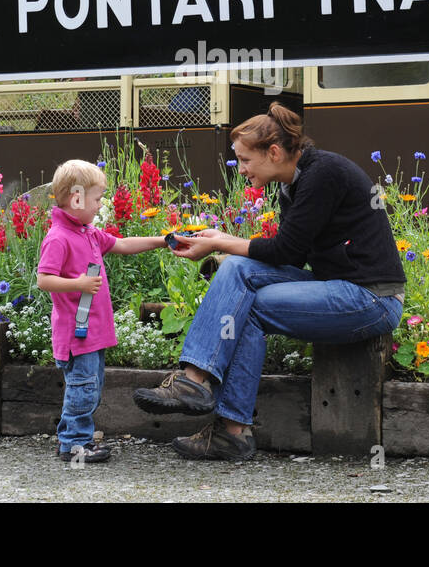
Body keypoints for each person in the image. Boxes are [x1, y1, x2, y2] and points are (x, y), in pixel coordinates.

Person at [132, 102, 404, 461]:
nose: (241, 169)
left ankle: (229, 426)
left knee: (252, 305)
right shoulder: (294, 181)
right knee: (236, 270)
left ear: (274, 152)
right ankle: (195, 383)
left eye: (245, 160)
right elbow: (289, 254)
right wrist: (221, 240)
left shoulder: (323, 174)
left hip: (370, 299)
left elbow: (285, 250)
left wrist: (219, 242)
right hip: (336, 286)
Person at [37, 159, 168, 463]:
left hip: (92, 333)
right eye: (97, 199)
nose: (100, 205)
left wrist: (163, 241)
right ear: (77, 198)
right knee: (82, 392)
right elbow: (44, 279)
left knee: (89, 390)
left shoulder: (88, 233)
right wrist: (78, 283)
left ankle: (71, 440)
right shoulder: (59, 237)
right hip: (76, 334)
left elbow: (122, 244)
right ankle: (74, 444)